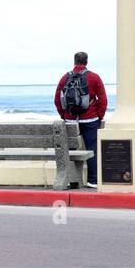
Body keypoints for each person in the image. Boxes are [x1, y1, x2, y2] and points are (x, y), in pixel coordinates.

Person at [54, 51, 107, 187]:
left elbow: (57, 100)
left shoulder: (65, 77)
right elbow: (103, 100)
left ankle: (72, 181)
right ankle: (92, 181)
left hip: (70, 120)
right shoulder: (94, 77)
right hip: (90, 120)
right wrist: (98, 116)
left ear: (74, 62)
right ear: (86, 62)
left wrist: (65, 116)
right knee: (92, 150)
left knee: (70, 151)